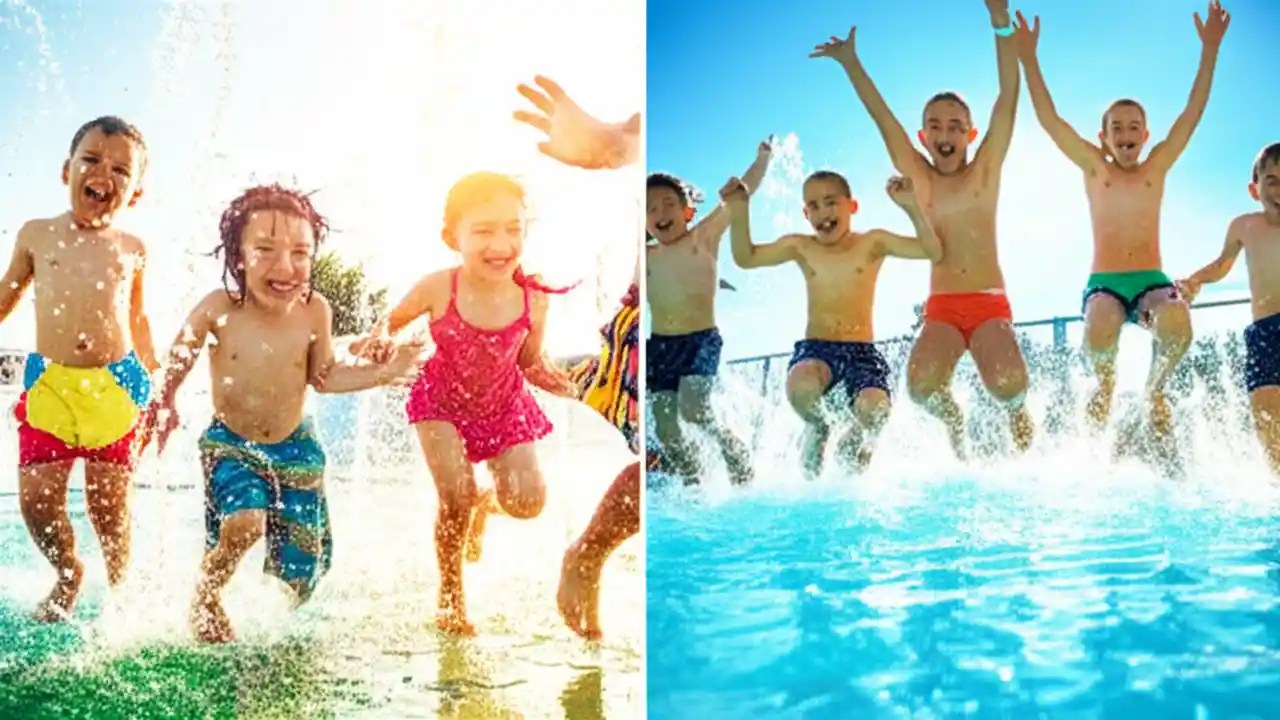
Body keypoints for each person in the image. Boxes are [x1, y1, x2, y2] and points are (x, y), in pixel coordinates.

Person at [148, 184, 422, 643]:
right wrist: (166, 400)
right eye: (265, 250)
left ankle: (268, 628)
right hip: (231, 443)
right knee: (244, 524)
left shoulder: (315, 311)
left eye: (300, 253)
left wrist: (383, 373)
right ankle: (207, 594)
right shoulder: (220, 307)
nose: (285, 266)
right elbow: (181, 351)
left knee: (302, 571)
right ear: (238, 257)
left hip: (297, 448)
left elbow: (324, 377)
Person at [352, 170, 578, 636]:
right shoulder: (439, 287)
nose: (500, 243)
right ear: (451, 237)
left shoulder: (533, 298)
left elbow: (528, 359)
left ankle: (484, 507)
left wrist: (556, 380)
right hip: (441, 402)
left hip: (503, 403)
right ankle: (451, 597)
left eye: (513, 229)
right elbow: (389, 322)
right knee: (454, 497)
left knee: (528, 502)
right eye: (483, 231)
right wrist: (380, 341)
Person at [812, 0, 1033, 460]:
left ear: (971, 134)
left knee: (1009, 386)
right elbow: (883, 119)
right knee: (920, 388)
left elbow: (1008, 96)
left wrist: (1000, 23)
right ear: (923, 137)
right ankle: (955, 420)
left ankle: (1017, 414)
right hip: (943, 307)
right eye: (935, 126)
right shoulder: (921, 179)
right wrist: (852, 63)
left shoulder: (985, 172)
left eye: (955, 126)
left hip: (988, 301)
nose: (945, 134)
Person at [1014, 1, 1230, 435]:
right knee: (1099, 327)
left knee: (1178, 319)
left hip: (1151, 281)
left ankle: (1155, 390)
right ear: (1103, 137)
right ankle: (1106, 384)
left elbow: (1192, 112)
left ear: (1146, 135)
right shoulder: (1096, 169)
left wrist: (1210, 49)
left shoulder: (1156, 168)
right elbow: (1050, 120)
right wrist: (1029, 59)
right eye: (1117, 128)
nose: (1126, 134)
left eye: (1133, 127)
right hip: (1106, 284)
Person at [0, 116, 159, 621]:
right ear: (66, 170)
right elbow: (7, 295)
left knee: (108, 508)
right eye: (91, 159)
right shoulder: (37, 234)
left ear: (135, 193)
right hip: (52, 384)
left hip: (116, 386)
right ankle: (68, 570)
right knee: (36, 502)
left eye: (121, 170)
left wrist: (158, 379)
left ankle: (122, 595)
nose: (103, 174)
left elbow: (137, 317)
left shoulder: (132, 247)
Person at [514, 74, 642, 641]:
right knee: (665, 457)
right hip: (646, 323)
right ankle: (587, 553)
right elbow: (632, 141)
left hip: (678, 324)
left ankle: (589, 552)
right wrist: (609, 141)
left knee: (682, 463)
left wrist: (612, 141)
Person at [727, 170, 943, 477]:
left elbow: (931, 250)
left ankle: (856, 440)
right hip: (817, 349)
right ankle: (819, 427)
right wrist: (739, 209)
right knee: (801, 387)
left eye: (830, 202)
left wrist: (911, 206)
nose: (822, 213)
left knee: (876, 412)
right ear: (805, 214)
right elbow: (746, 258)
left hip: (862, 352)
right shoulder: (801, 246)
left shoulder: (872, 242)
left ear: (852, 206)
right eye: (813, 206)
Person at [646, 142, 773, 483]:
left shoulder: (704, 236)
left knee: (694, 410)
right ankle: (694, 480)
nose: (660, 212)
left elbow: (742, 194)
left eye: (668, 204)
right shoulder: (647, 257)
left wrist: (762, 159)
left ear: (687, 211)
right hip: (660, 347)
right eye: (651, 209)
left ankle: (734, 449)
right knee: (665, 427)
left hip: (699, 341)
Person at [1179, 143, 1280, 475]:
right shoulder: (1244, 226)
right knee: (1265, 410)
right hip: (1264, 331)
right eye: (1272, 181)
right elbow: (1222, 264)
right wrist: (1195, 280)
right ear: (1255, 190)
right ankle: (1277, 477)